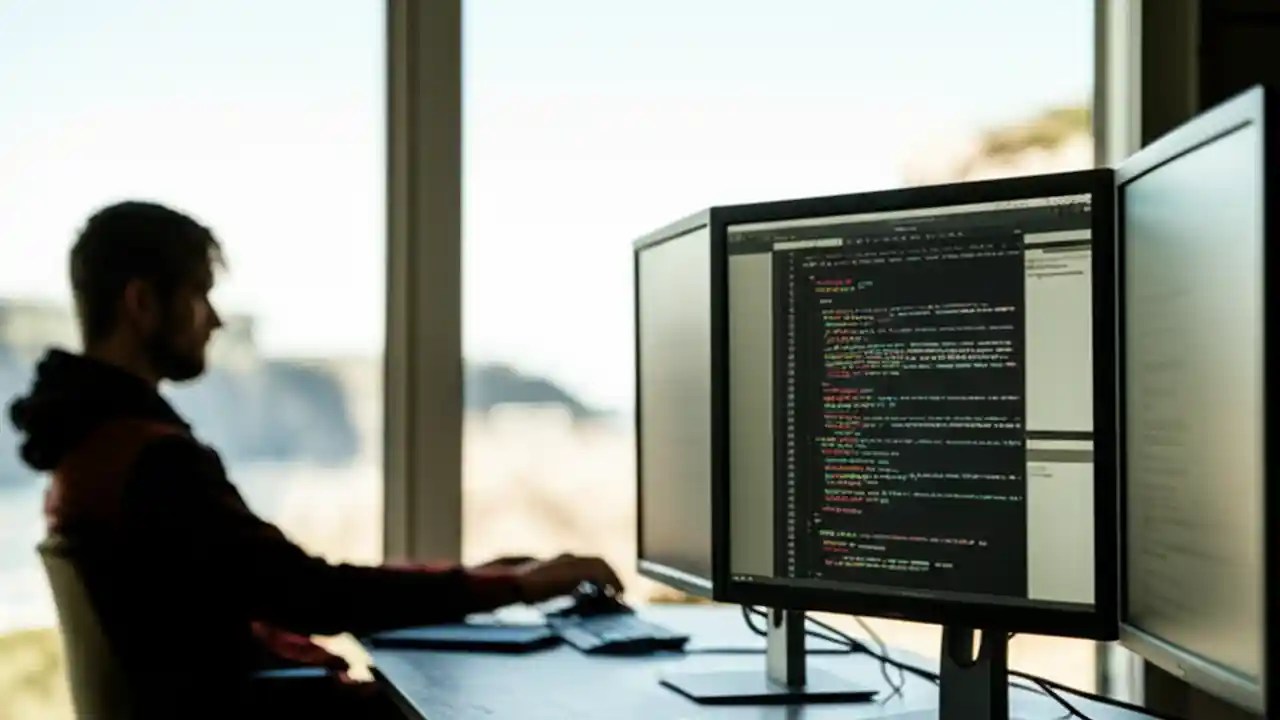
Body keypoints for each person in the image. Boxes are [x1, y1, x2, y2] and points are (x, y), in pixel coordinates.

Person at [7, 201, 622, 718]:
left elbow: (281, 590)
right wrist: (517, 584)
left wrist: (491, 577)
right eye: (199, 295)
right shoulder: (148, 461)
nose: (215, 320)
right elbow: (314, 596)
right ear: (142, 302)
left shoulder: (91, 447)